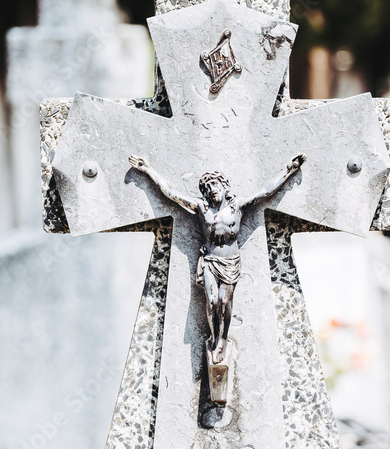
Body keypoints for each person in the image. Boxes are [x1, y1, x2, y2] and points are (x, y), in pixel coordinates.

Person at [128, 153, 306, 366]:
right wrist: (148, 169)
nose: (212, 189)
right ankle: (214, 338)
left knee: (224, 302)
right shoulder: (201, 208)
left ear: (223, 186)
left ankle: (223, 338)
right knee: (212, 301)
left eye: (215, 184)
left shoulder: (237, 206)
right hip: (210, 261)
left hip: (230, 261)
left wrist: (288, 170)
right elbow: (172, 194)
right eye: (208, 186)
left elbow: (266, 191)